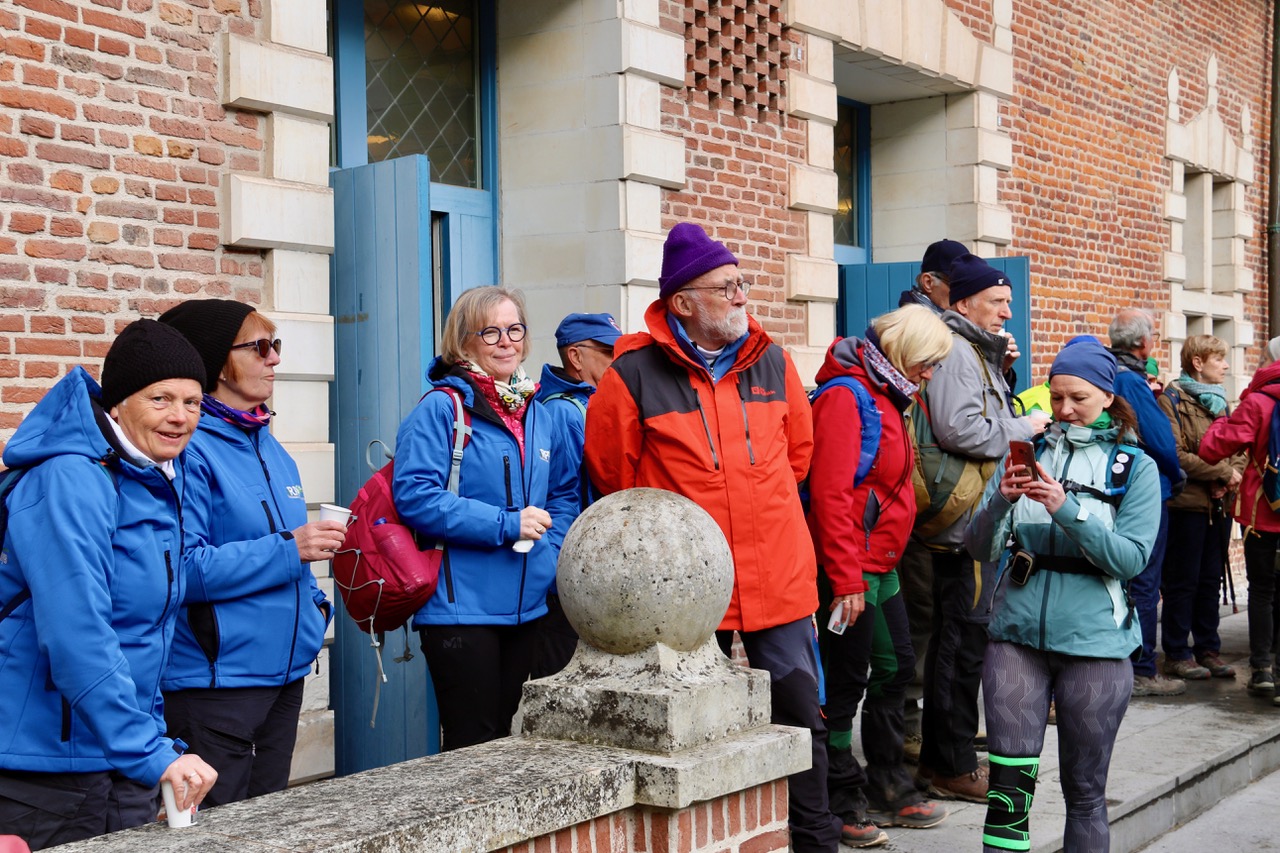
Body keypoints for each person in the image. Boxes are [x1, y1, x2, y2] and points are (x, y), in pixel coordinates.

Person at [585, 223, 871, 850]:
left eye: (744, 283)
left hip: (779, 573)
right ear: (682, 302)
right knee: (690, 726)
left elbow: (799, 457)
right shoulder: (630, 374)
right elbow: (617, 480)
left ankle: (815, 837)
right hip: (683, 588)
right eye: (727, 286)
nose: (743, 296)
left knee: (801, 716)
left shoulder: (772, 359)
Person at [0, 320, 218, 849]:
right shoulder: (71, 478)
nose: (179, 416)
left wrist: (154, 743)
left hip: (117, 754)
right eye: (161, 398)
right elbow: (79, 636)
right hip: (48, 765)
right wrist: (150, 751)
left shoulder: (151, 474)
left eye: (192, 402)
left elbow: (146, 628)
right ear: (118, 403)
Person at [966, 335, 1160, 853]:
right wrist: (1000, 503)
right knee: (1008, 798)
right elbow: (977, 546)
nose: (1064, 409)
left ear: (1106, 395)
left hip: (1096, 645)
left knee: (1086, 794)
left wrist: (1065, 508)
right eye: (1055, 397)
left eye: (1077, 397)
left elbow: (1131, 560)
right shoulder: (1028, 453)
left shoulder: (1134, 468)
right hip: (1015, 638)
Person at [156, 300, 344, 807]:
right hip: (217, 685)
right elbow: (182, 570)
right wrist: (292, 548)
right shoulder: (187, 449)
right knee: (218, 834)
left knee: (268, 824)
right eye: (260, 347)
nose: (275, 359)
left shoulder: (270, 446)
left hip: (284, 676)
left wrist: (313, 616)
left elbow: (293, 559)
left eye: (276, 346)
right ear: (218, 362)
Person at [392, 286, 577, 750]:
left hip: (527, 605)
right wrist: (505, 523)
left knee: (503, 737)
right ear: (463, 340)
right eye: (490, 331)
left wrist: (549, 559)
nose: (505, 342)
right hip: (461, 610)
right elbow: (415, 497)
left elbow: (563, 493)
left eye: (514, 329)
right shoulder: (441, 408)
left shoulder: (536, 410)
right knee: (471, 742)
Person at [808, 305, 952, 832]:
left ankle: (887, 779)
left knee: (894, 670)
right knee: (845, 684)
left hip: (882, 563)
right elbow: (830, 495)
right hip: (851, 569)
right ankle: (839, 796)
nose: (931, 373)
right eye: (928, 362)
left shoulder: (891, 394)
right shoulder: (848, 397)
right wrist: (845, 580)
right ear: (904, 352)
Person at [914, 253, 1049, 803]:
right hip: (959, 528)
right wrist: (1027, 426)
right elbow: (961, 429)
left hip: (973, 522)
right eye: (997, 302)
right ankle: (951, 764)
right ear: (965, 302)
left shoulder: (974, 350)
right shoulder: (955, 353)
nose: (1006, 313)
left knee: (963, 644)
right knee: (959, 649)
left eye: (1008, 303)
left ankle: (938, 760)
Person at [896, 239, 968, 764]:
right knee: (917, 627)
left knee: (936, 626)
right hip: (919, 513)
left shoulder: (954, 340)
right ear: (928, 283)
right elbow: (945, 427)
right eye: (954, 285)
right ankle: (907, 732)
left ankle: (928, 727)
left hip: (929, 511)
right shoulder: (915, 334)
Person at [530, 312, 622, 678]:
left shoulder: (591, 403)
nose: (616, 361)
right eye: (607, 352)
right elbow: (562, 497)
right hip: (570, 579)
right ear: (576, 356)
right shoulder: (564, 411)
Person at [1106, 309, 1188, 694]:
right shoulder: (1132, 381)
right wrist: (1176, 473)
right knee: (1143, 580)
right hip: (1145, 487)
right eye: (1153, 335)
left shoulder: (1107, 372)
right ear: (1143, 343)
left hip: (1117, 485)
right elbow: (1159, 440)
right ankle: (1140, 668)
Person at [1157, 335, 1241, 683]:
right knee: (1183, 580)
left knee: (1211, 580)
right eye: (1218, 359)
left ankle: (1208, 648)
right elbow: (1176, 454)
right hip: (1187, 505)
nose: (1225, 365)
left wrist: (1231, 475)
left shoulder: (1222, 403)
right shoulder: (1171, 399)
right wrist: (1222, 472)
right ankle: (1178, 652)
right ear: (1197, 363)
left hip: (1219, 505)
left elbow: (1240, 444)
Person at [1200, 338, 1280, 700]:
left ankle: (1262, 668)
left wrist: (1221, 420)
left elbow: (1213, 448)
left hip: (1262, 512)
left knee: (1262, 592)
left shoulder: (1258, 400)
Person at [898, 239, 967, 315]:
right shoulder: (911, 324)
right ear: (928, 283)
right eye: (956, 286)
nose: (964, 295)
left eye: (968, 286)